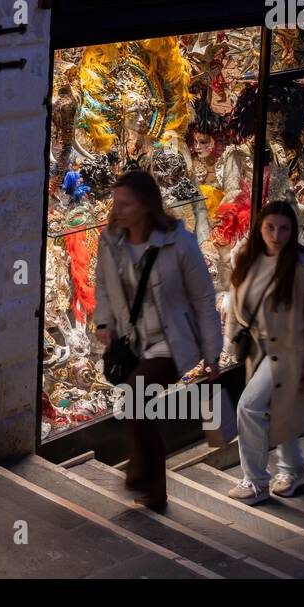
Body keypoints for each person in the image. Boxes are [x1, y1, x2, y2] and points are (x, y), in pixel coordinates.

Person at [95, 170, 222, 511]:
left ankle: (139, 478)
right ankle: (154, 490)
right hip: (133, 338)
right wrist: (104, 323)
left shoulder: (179, 243)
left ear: (147, 206)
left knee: (137, 398)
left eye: (126, 204)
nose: (118, 210)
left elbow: (203, 298)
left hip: (172, 340)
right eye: (116, 203)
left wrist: (212, 353)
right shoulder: (111, 240)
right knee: (139, 408)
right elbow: (104, 286)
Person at [222, 201, 304, 504]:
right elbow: (235, 299)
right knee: (281, 411)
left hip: (289, 351)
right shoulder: (247, 258)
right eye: (270, 227)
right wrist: (231, 342)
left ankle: (255, 480)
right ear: (260, 227)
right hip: (257, 349)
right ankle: (293, 470)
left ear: (293, 230)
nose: (276, 234)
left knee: (250, 407)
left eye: (284, 228)